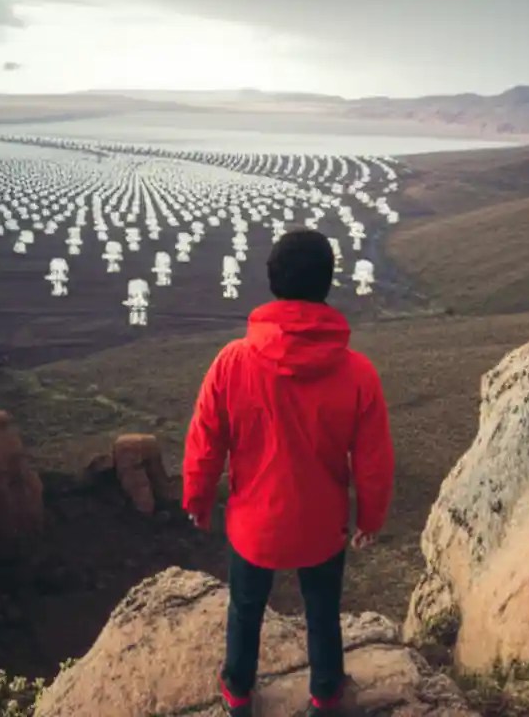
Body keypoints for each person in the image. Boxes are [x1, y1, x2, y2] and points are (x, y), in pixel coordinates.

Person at [183, 229, 395, 716]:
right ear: (328, 283)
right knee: (322, 613)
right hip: (322, 526)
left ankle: (237, 690)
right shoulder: (358, 372)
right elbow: (374, 458)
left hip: (253, 526)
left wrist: (197, 499)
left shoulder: (231, 362)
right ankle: (326, 693)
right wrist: (371, 517)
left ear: (272, 281)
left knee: (245, 608)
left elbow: (205, 439)